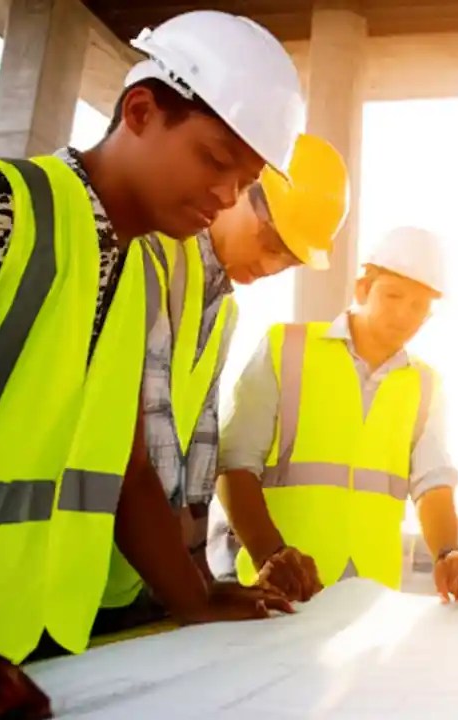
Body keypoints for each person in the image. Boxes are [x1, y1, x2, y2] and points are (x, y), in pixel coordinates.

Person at [0, 9, 302, 716]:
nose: (225, 195)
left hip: (22, 659)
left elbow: (123, 469)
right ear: (140, 110)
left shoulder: (126, 273)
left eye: (242, 180)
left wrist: (198, 597)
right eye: (216, 160)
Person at [99, 133, 349, 627]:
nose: (273, 265)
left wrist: (203, 585)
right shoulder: (152, 258)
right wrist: (194, 596)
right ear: (241, 188)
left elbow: (197, 452)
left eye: (291, 259)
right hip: (83, 573)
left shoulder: (224, 307)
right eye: (272, 241)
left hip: (138, 585)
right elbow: (137, 450)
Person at [208, 227, 458, 603]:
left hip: (371, 595)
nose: (405, 314)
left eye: (419, 306)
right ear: (362, 289)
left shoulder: (425, 384)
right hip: (283, 588)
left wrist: (449, 552)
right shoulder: (287, 348)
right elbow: (235, 464)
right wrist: (270, 555)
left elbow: (432, 480)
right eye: (393, 296)